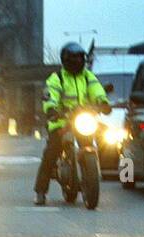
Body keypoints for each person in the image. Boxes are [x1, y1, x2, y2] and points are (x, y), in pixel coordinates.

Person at [33, 42, 111, 206]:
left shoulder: (87, 76)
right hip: (61, 122)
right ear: (65, 59)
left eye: (79, 58)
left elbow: (97, 89)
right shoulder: (57, 78)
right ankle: (40, 191)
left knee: (101, 141)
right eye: (73, 58)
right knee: (51, 152)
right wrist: (51, 109)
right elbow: (50, 94)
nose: (77, 61)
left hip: (83, 120)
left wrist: (103, 102)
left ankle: (91, 177)